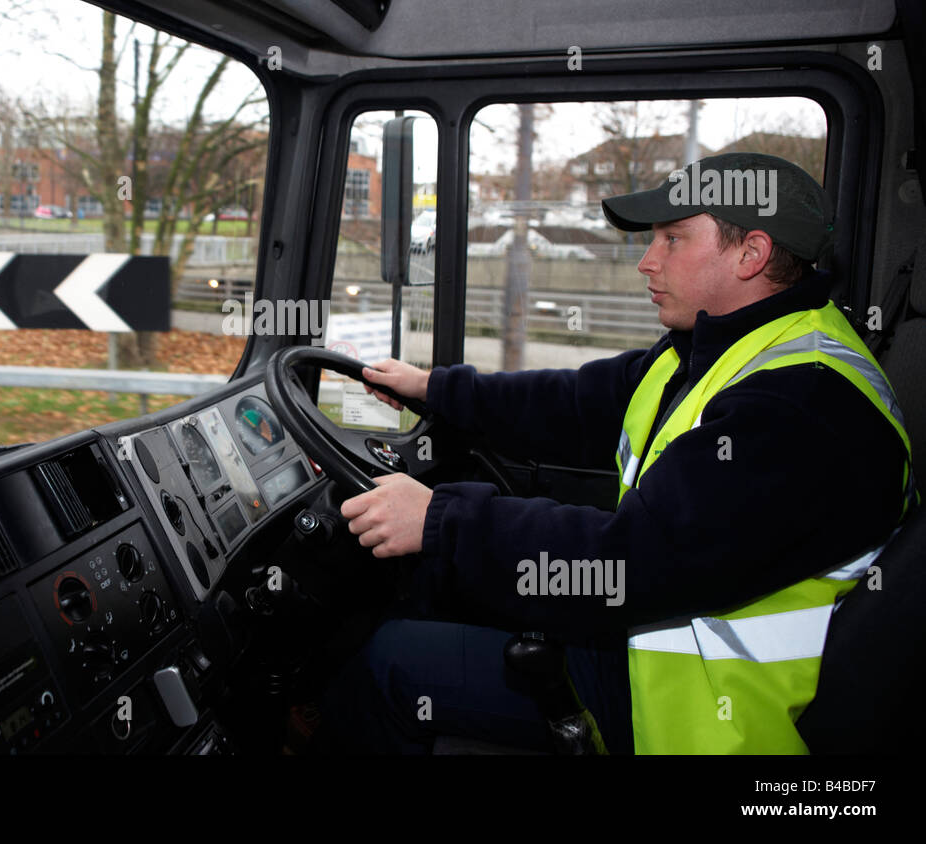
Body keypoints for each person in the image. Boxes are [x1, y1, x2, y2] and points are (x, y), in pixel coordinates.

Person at [314, 152, 916, 754]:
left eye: (673, 239)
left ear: (751, 253)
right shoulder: (718, 348)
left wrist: (439, 519)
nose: (647, 262)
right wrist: (435, 389)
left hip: (697, 714)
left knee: (389, 663)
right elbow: (579, 403)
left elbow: (631, 560)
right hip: (648, 641)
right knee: (424, 605)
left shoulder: (802, 407)